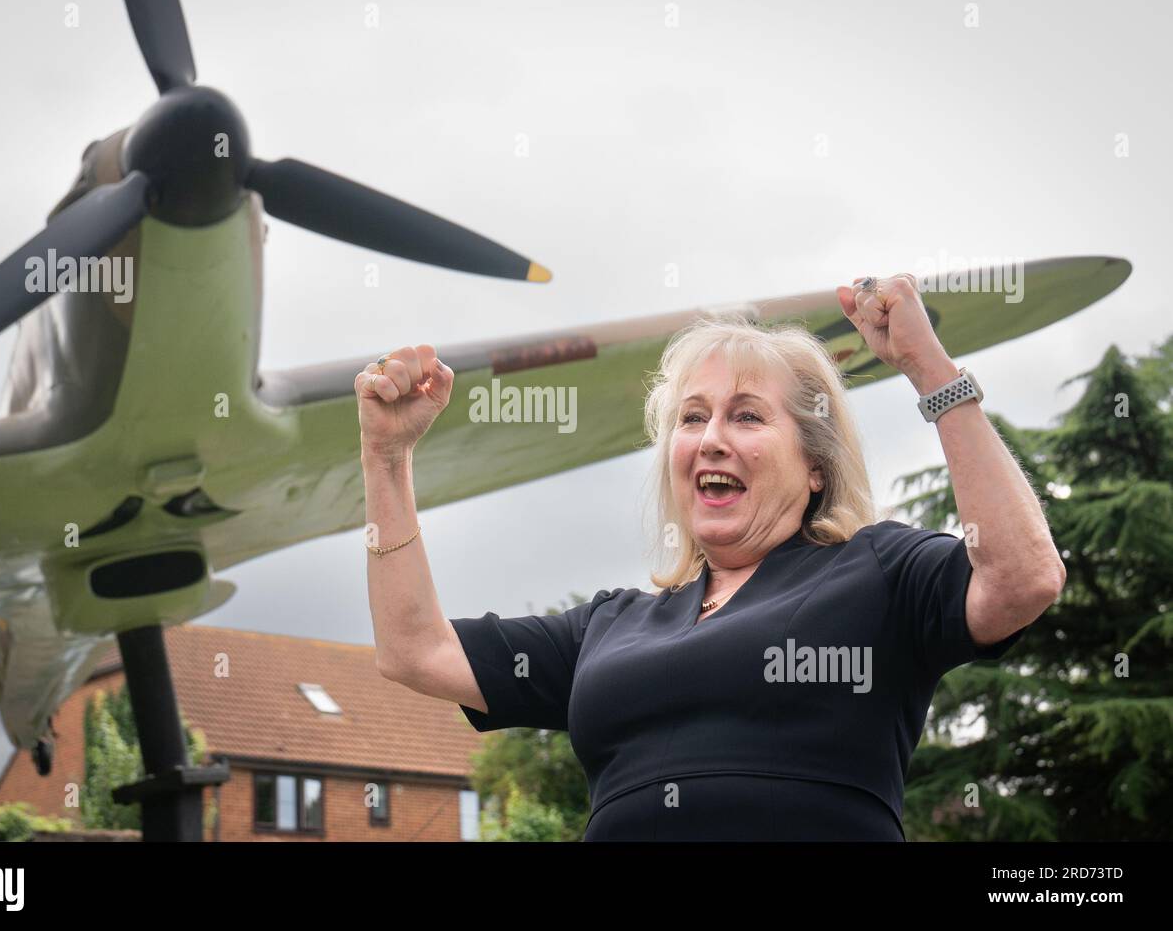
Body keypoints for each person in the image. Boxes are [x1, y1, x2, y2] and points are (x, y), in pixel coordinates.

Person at [355, 273, 1064, 840]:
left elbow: (1022, 577)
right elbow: (414, 649)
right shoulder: (609, 626)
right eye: (692, 418)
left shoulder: (876, 573)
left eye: (747, 415)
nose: (711, 438)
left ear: (816, 465)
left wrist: (928, 368)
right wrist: (386, 461)